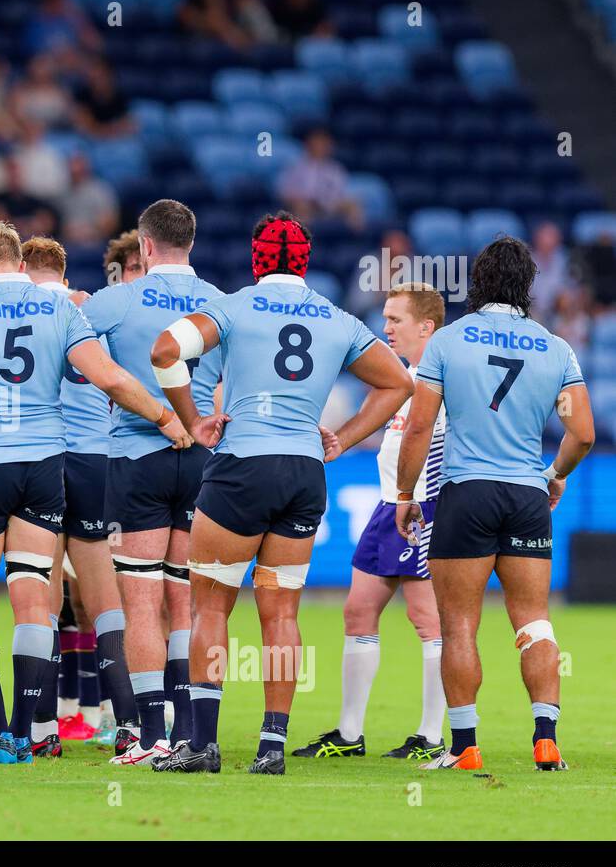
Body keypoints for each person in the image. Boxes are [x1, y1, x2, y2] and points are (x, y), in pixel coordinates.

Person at [0, 221, 189, 764]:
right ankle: (26, 730)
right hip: (44, 467)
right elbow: (108, 377)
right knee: (37, 599)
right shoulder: (58, 309)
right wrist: (164, 417)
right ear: (17, 261)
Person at [149, 211, 412, 775]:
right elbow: (399, 383)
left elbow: (165, 351)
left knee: (211, 606)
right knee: (281, 614)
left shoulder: (236, 305)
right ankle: (271, 747)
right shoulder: (336, 317)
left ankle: (202, 745)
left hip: (242, 466)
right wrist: (342, 438)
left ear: (256, 259)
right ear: (305, 263)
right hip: (303, 472)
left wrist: (192, 417)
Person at [396, 237, 593, 772]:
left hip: (467, 492)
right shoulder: (557, 347)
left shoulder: (448, 342)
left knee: (459, 624)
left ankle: (464, 747)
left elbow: (418, 426)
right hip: (527, 495)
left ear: (477, 283)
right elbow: (583, 433)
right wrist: (552, 476)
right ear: (526, 286)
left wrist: (405, 494)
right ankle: (546, 740)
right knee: (534, 621)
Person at [80, 201, 226, 765]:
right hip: (204, 461)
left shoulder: (112, 302)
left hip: (138, 457)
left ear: (143, 246)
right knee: (186, 601)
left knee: (140, 602)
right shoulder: (221, 304)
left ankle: (149, 736)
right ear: (192, 242)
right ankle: (190, 733)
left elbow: (82, 371)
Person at [294, 282, 449, 762]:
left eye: (395, 320)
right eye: (385, 318)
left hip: (423, 507)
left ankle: (430, 737)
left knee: (429, 622)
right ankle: (349, 733)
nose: (385, 328)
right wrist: (340, 441)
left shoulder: (444, 378)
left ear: (426, 326)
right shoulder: (404, 378)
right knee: (358, 611)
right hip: (389, 504)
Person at [21, 236, 136, 758]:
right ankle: (129, 724)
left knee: (41, 595)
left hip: (39, 456)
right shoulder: (94, 311)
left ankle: (43, 728)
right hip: (95, 459)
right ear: (65, 273)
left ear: (21, 268)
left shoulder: (13, 311)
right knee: (103, 598)